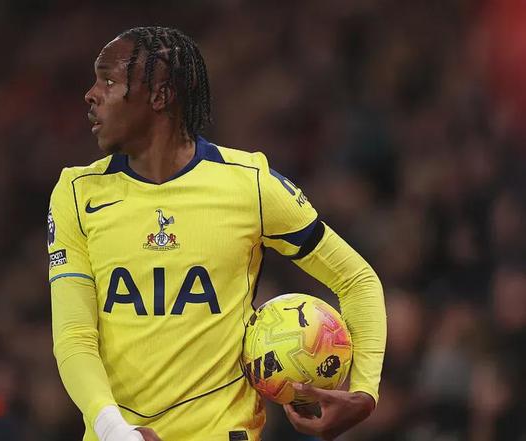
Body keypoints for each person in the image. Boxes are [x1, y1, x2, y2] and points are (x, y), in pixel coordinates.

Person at [48, 26, 386, 441]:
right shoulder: (76, 193)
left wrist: (365, 391)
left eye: (109, 81)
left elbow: (356, 280)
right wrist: (116, 431)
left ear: (159, 95)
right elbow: (75, 337)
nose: (91, 94)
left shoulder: (250, 184)